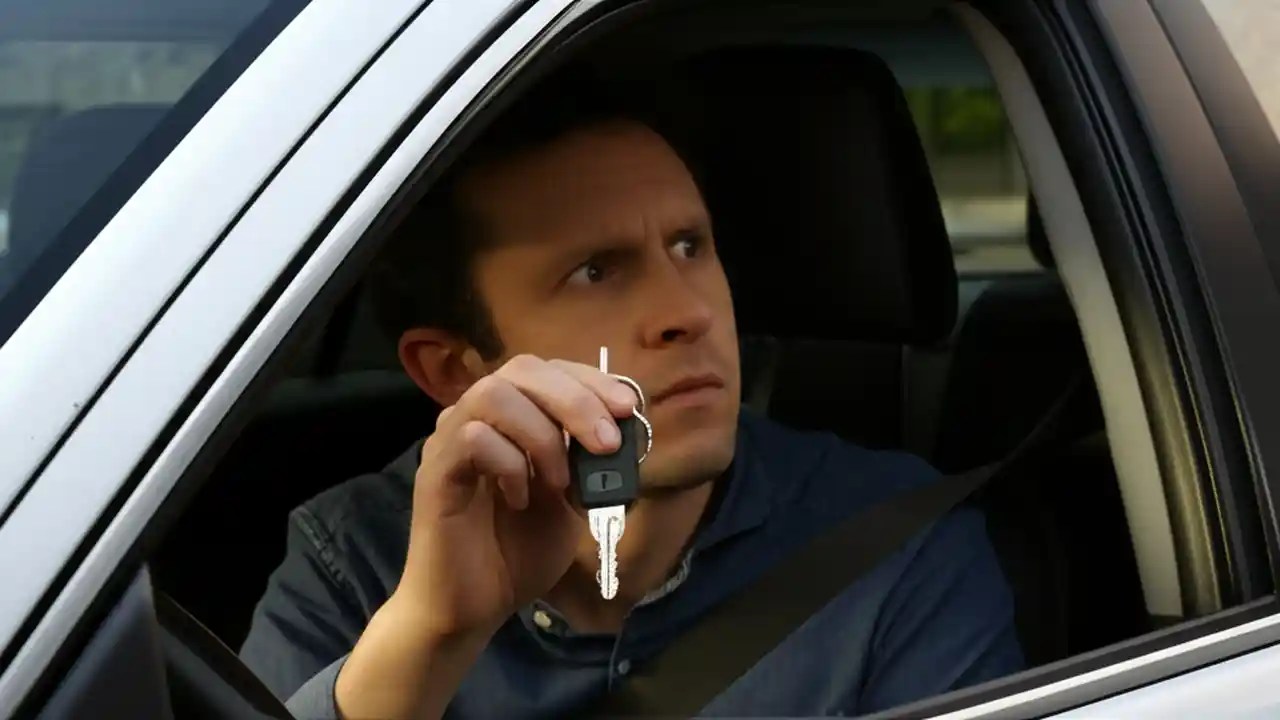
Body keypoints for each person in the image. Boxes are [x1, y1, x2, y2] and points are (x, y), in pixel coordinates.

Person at [239, 66, 1023, 719]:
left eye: (690, 245)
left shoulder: (897, 546)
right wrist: (429, 635)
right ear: (455, 370)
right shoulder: (357, 560)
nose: (689, 312)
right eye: (597, 272)